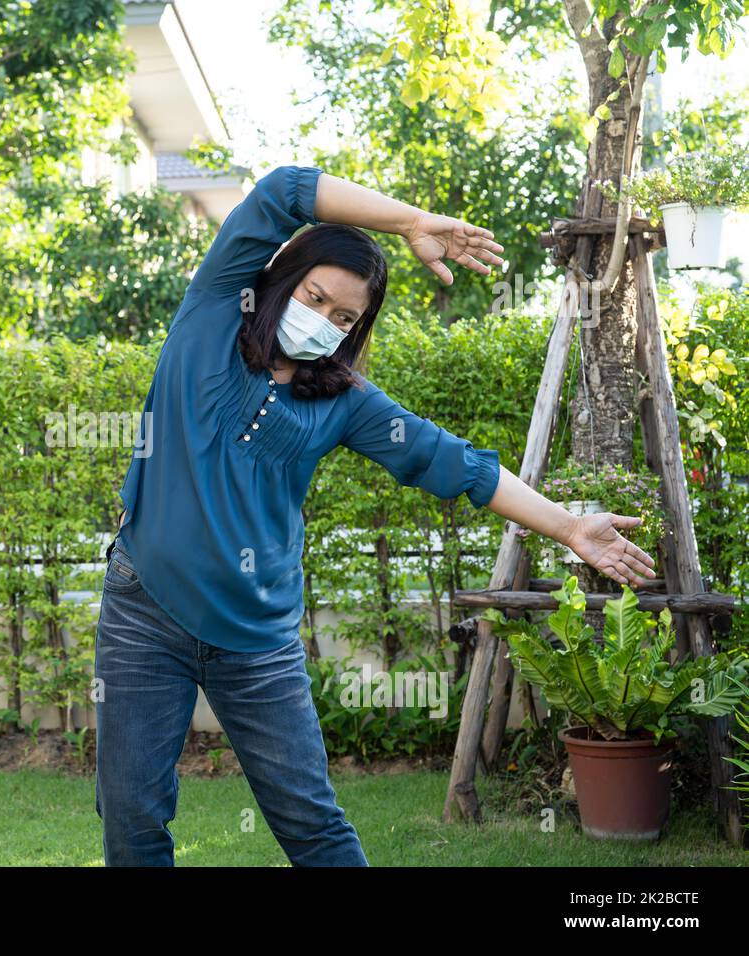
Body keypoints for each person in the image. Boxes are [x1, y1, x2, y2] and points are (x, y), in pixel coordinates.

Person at [94, 164, 656, 867]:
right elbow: (284, 191)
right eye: (313, 297)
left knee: (312, 824)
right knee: (132, 817)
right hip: (144, 614)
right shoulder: (211, 313)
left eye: (343, 318)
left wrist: (569, 525)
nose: (322, 321)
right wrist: (411, 221)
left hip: (255, 638)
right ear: (278, 282)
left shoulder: (345, 402)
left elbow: (454, 464)